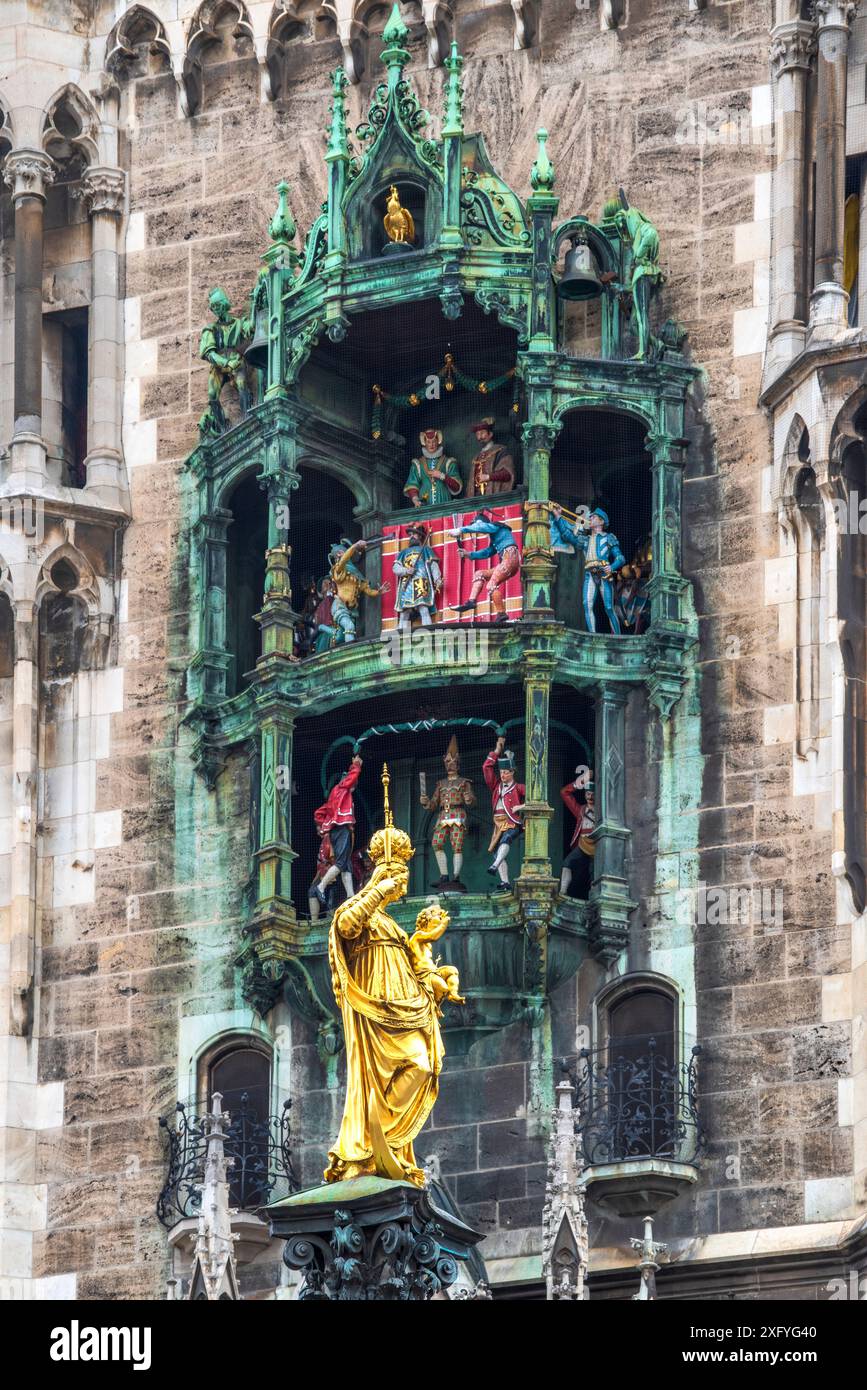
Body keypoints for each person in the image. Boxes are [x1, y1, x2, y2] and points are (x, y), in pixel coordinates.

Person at [324, 772, 462, 1187]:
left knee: (422, 1064)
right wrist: (377, 893)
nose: (402, 882)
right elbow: (345, 926)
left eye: (403, 875)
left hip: (405, 1011)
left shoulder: (395, 927)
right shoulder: (364, 909)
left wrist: (431, 964)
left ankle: (388, 1140)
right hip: (375, 1010)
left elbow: (416, 966)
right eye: (396, 874)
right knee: (408, 1067)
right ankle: (370, 1138)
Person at [420, 736, 476, 891]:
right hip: (443, 816)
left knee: (457, 846)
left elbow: (472, 801)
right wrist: (425, 802)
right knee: (436, 843)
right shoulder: (441, 784)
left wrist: (468, 798)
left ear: (458, 764)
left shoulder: (464, 782)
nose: (450, 766)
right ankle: (444, 875)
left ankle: (456, 876)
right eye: (447, 763)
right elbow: (433, 804)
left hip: (458, 814)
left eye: (453, 763)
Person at [198, 287, 255, 431]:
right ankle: (222, 427)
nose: (215, 309)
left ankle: (247, 417)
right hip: (219, 364)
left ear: (224, 304)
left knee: (241, 384)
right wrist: (225, 363)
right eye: (213, 307)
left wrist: (255, 306)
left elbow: (250, 329)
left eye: (217, 305)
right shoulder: (211, 329)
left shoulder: (238, 323)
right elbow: (209, 354)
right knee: (212, 394)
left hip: (235, 360)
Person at [450, 509, 520, 624]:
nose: (478, 530)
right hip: (508, 561)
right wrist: (469, 554)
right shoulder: (496, 534)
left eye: (478, 525)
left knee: (491, 585)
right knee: (479, 574)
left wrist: (461, 530)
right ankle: (471, 601)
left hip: (509, 557)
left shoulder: (494, 526)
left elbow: (482, 527)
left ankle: (501, 613)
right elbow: (488, 552)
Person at [311, 755, 362, 908]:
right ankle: (321, 887)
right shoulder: (342, 788)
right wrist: (356, 765)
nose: (354, 786)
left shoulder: (333, 795)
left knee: (346, 865)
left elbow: (318, 813)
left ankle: (351, 896)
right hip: (342, 829)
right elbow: (352, 777)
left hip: (335, 830)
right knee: (341, 862)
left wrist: (325, 825)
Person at [482, 736, 526, 892]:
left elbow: (536, 798)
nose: (503, 775)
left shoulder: (519, 787)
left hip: (512, 821)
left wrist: (521, 806)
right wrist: (496, 751)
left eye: (506, 772)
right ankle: (505, 882)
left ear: (512, 772)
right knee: (496, 850)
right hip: (498, 822)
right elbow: (486, 768)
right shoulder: (496, 786)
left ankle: (494, 865)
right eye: (501, 772)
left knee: (506, 839)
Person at [573, 508, 626, 634]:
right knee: (587, 604)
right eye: (590, 517)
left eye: (593, 517)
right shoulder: (585, 539)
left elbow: (620, 558)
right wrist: (558, 518)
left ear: (601, 521)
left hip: (603, 574)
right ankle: (592, 635)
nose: (590, 519)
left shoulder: (608, 537)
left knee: (608, 607)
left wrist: (612, 567)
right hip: (590, 574)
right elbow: (568, 536)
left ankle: (618, 637)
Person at [327, 538, 388, 643]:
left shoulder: (356, 573)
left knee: (339, 637)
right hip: (339, 606)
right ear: (338, 555)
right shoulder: (338, 569)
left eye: (343, 551)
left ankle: (323, 629)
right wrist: (355, 546)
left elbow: (367, 590)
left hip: (351, 610)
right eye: (341, 552)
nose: (343, 554)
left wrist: (378, 592)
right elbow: (344, 560)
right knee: (349, 627)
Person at [392, 522, 442, 631]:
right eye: (410, 534)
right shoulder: (403, 552)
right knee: (405, 612)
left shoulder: (426, 549)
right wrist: (406, 570)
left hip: (421, 581)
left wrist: (437, 579)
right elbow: (395, 568)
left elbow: (433, 565)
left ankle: (428, 632)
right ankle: (401, 636)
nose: (411, 536)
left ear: (420, 536)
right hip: (407, 583)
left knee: (423, 608)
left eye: (413, 534)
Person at [403, 429, 463, 508]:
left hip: (443, 499)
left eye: (434, 442)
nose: (431, 445)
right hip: (424, 501)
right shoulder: (418, 464)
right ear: (425, 443)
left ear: (438, 442)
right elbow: (412, 485)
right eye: (428, 442)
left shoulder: (448, 462)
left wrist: (442, 476)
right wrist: (415, 499)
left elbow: (457, 487)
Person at [560, 773, 595, 898]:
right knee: (568, 862)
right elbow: (565, 792)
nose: (590, 797)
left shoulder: (601, 812)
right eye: (588, 794)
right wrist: (583, 779)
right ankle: (563, 891)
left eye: (592, 794)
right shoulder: (580, 810)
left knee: (594, 872)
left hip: (596, 844)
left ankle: (594, 896)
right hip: (582, 844)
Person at [469, 419, 515, 497]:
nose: (480, 437)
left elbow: (508, 474)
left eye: (482, 433)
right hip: (477, 500)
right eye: (477, 434)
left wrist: (488, 477)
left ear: (490, 434)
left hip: (494, 497)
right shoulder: (476, 458)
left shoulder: (500, 451)